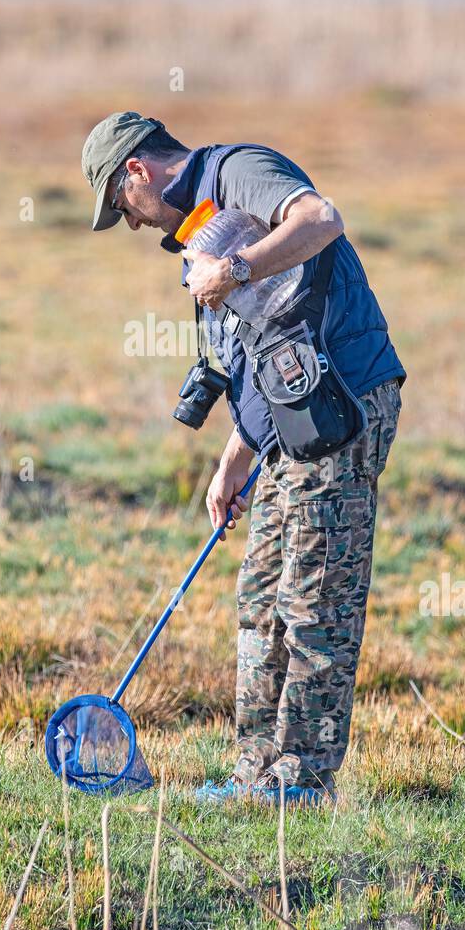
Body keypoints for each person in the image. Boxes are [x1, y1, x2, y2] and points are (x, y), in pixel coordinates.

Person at [81, 112, 405, 804]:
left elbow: (321, 218)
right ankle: (255, 776)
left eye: (120, 204)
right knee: (260, 598)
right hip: (290, 423)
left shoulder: (239, 171)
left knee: (314, 599)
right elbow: (266, 346)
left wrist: (231, 270)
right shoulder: (199, 224)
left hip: (343, 405)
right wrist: (235, 455)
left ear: (136, 170)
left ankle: (302, 782)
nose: (131, 223)